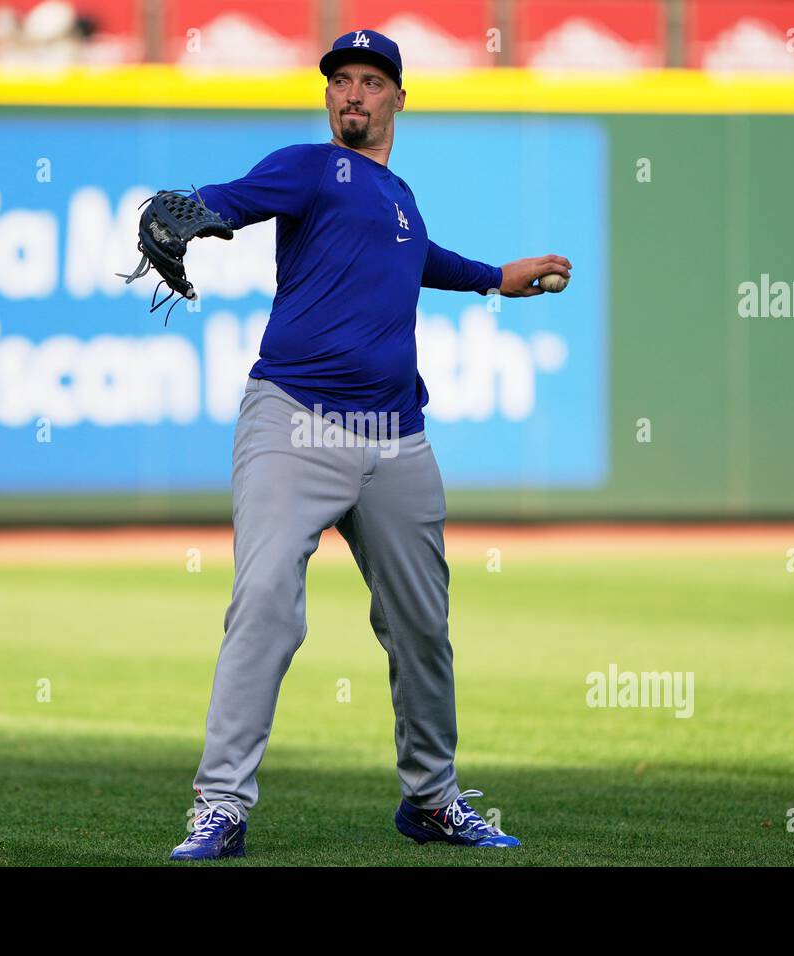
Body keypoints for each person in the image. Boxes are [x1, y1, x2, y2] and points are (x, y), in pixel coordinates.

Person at [169, 29, 572, 860]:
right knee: (267, 606)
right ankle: (220, 808)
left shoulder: (398, 198)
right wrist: (196, 212)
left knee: (421, 624)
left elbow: (415, 255)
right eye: (340, 81)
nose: (353, 93)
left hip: (397, 437)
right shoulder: (313, 168)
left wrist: (496, 276)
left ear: (397, 97)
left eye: (370, 81)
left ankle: (431, 800)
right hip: (296, 422)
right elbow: (237, 199)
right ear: (328, 99)